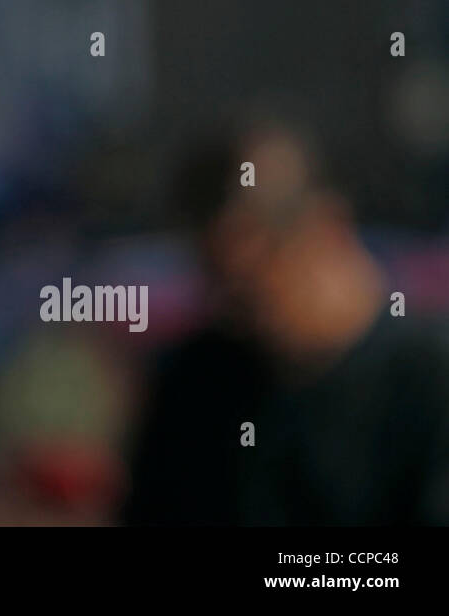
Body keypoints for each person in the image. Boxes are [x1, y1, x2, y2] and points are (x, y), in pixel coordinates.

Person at [123, 117, 449, 525]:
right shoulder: (200, 380)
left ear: (328, 228)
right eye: (220, 282)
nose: (238, 312)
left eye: (255, 278)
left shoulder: (428, 381)